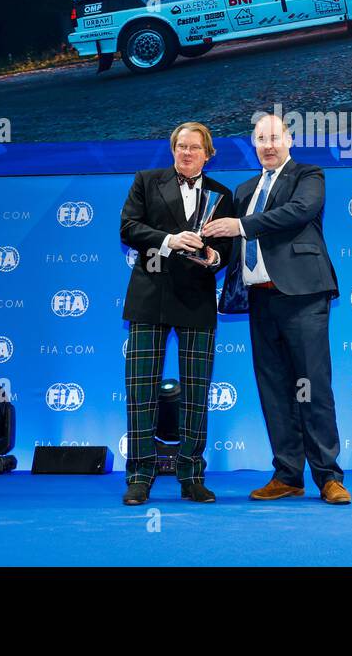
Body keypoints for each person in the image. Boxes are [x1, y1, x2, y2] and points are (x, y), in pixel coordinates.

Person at [202, 113, 350, 505]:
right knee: (275, 391)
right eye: (260, 139)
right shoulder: (245, 189)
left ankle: (329, 478)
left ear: (289, 140)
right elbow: (234, 247)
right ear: (253, 145)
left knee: (312, 387)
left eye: (274, 137)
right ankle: (288, 475)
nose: (268, 145)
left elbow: (298, 212)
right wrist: (212, 256)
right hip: (260, 299)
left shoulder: (308, 175)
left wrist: (241, 226)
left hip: (302, 295)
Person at [119, 122, 234, 505]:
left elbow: (227, 252)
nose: (186, 153)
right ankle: (139, 475)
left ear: (207, 154)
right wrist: (169, 240)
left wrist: (213, 256)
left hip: (197, 300)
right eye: (180, 147)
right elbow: (129, 228)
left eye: (194, 148)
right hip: (150, 296)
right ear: (173, 150)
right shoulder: (146, 181)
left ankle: (192, 476)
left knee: (197, 393)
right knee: (140, 391)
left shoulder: (222, 194)